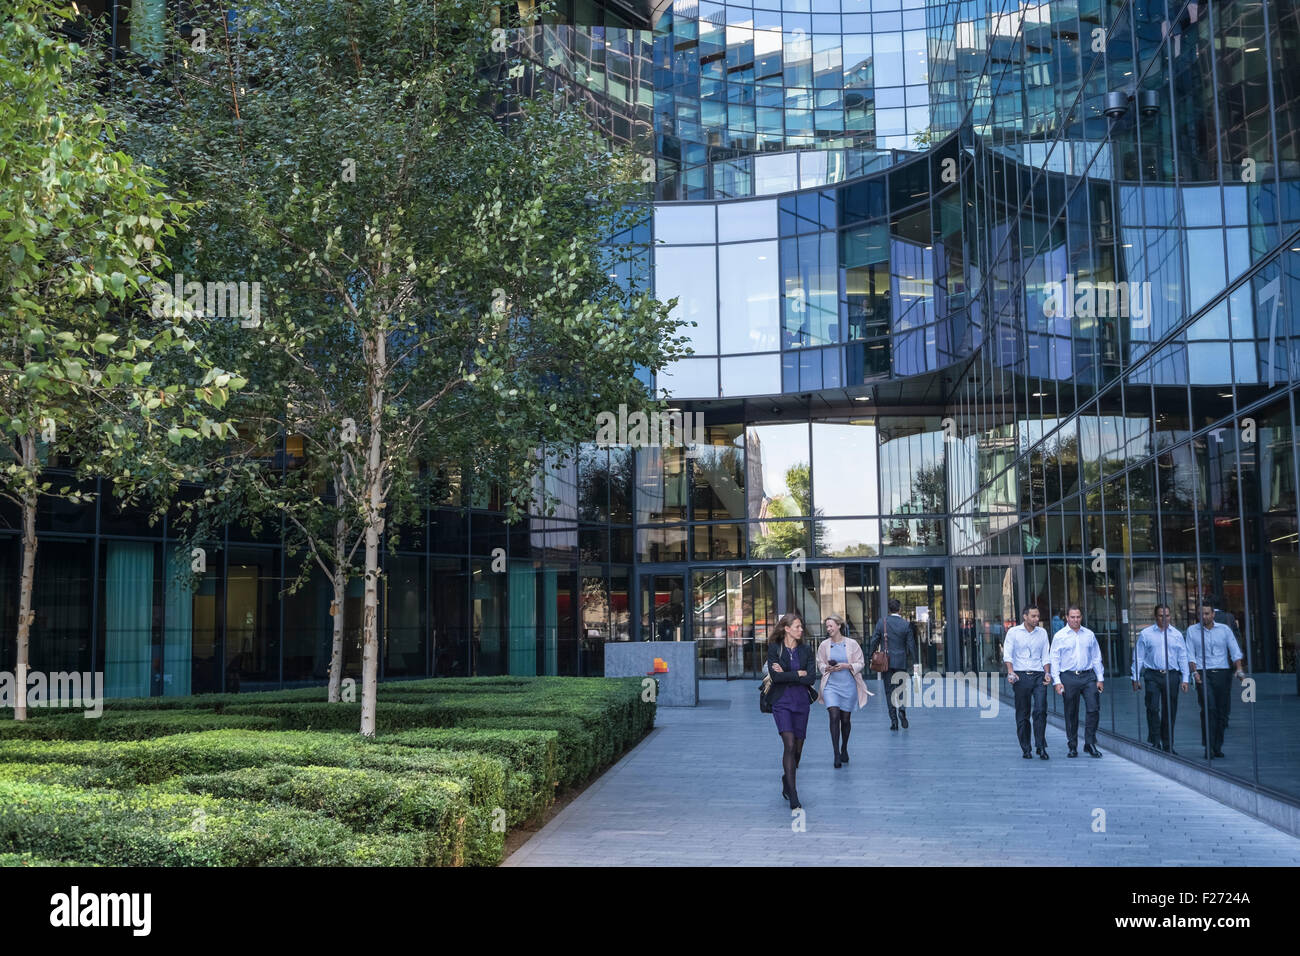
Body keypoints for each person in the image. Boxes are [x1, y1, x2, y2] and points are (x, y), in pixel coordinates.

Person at [767, 612, 818, 810]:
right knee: (788, 745)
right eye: (797, 626)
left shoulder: (806, 650)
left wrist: (788, 674)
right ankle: (793, 793)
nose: (801, 629)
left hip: (801, 703)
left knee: (797, 749)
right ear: (786, 628)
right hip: (781, 702)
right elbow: (775, 677)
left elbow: (811, 678)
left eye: (800, 626)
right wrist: (797, 673)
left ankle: (786, 778)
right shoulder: (774, 649)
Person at [1184, 602, 1246, 758]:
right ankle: (1209, 746)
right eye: (1200, 614)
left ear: (1213, 615)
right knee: (1208, 708)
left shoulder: (1224, 630)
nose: (1203, 617)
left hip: (1223, 673)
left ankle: (1217, 745)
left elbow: (1234, 650)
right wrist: (1194, 672)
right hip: (1202, 673)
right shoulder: (1192, 631)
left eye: (1206, 614)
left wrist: (1239, 669)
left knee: (1221, 712)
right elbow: (1190, 653)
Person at [1130, 604, 1189, 753]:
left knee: (1170, 710)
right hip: (1152, 675)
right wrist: (1135, 677)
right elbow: (1139, 656)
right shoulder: (1146, 634)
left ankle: (1168, 744)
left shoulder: (1176, 634)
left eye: (1167, 615)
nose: (1164, 618)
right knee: (1152, 707)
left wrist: (1186, 678)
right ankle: (1156, 740)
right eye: (1161, 616)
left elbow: (1183, 656)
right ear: (1155, 617)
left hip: (1172, 675)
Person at [815, 614, 872, 768]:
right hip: (831, 686)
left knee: (845, 720)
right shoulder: (824, 645)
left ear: (839, 626)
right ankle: (836, 754)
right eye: (827, 627)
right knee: (834, 716)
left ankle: (844, 748)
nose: (828, 629)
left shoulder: (852, 644)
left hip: (848, 685)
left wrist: (846, 666)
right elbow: (820, 662)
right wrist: (825, 667)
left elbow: (861, 663)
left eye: (831, 626)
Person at [1049, 604, 1105, 758]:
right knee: (1071, 712)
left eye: (1078, 617)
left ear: (1081, 617)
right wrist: (1057, 681)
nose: (1075, 620)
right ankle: (1072, 745)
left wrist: (1100, 678)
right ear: (1067, 618)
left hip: (1088, 677)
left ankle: (1089, 743)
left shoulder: (1089, 634)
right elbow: (1054, 660)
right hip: (1068, 677)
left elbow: (1096, 657)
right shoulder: (1059, 636)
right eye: (1072, 617)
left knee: (1093, 708)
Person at [1003, 606, 1052, 760]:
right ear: (1025, 616)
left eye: (1038, 616)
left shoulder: (1042, 633)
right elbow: (1008, 654)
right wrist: (1011, 672)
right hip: (1021, 675)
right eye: (1033, 616)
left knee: (1040, 710)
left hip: (1039, 676)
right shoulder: (1014, 632)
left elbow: (1045, 655)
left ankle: (1041, 746)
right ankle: (1026, 748)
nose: (1037, 619)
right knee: (1023, 714)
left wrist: (1047, 673)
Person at [871, 598, 915, 731]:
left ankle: (894, 721)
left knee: (889, 691)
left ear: (889, 610)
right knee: (901, 688)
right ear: (899, 609)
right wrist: (914, 661)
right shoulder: (905, 624)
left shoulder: (882, 622)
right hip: (901, 661)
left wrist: (870, 654)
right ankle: (902, 709)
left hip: (886, 662)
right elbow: (911, 645)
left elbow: (874, 640)